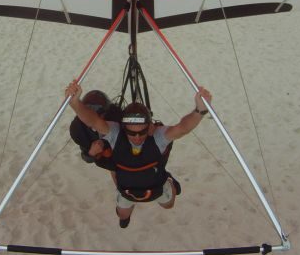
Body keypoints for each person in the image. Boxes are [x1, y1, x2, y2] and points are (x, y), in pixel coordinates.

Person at [65, 80, 212, 228]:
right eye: (131, 132)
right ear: (123, 127)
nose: (137, 137)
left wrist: (200, 111)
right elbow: (94, 121)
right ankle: (126, 214)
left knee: (168, 205)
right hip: (127, 187)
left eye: (142, 132)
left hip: (156, 185)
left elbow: (182, 128)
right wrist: (75, 103)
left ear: (149, 127)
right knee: (122, 214)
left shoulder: (158, 137)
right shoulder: (115, 133)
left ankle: (170, 182)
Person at [68, 90, 117, 171]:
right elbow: (85, 156)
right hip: (105, 159)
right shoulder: (79, 129)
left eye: (100, 114)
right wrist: (91, 153)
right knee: (112, 167)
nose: (95, 120)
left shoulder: (114, 117)